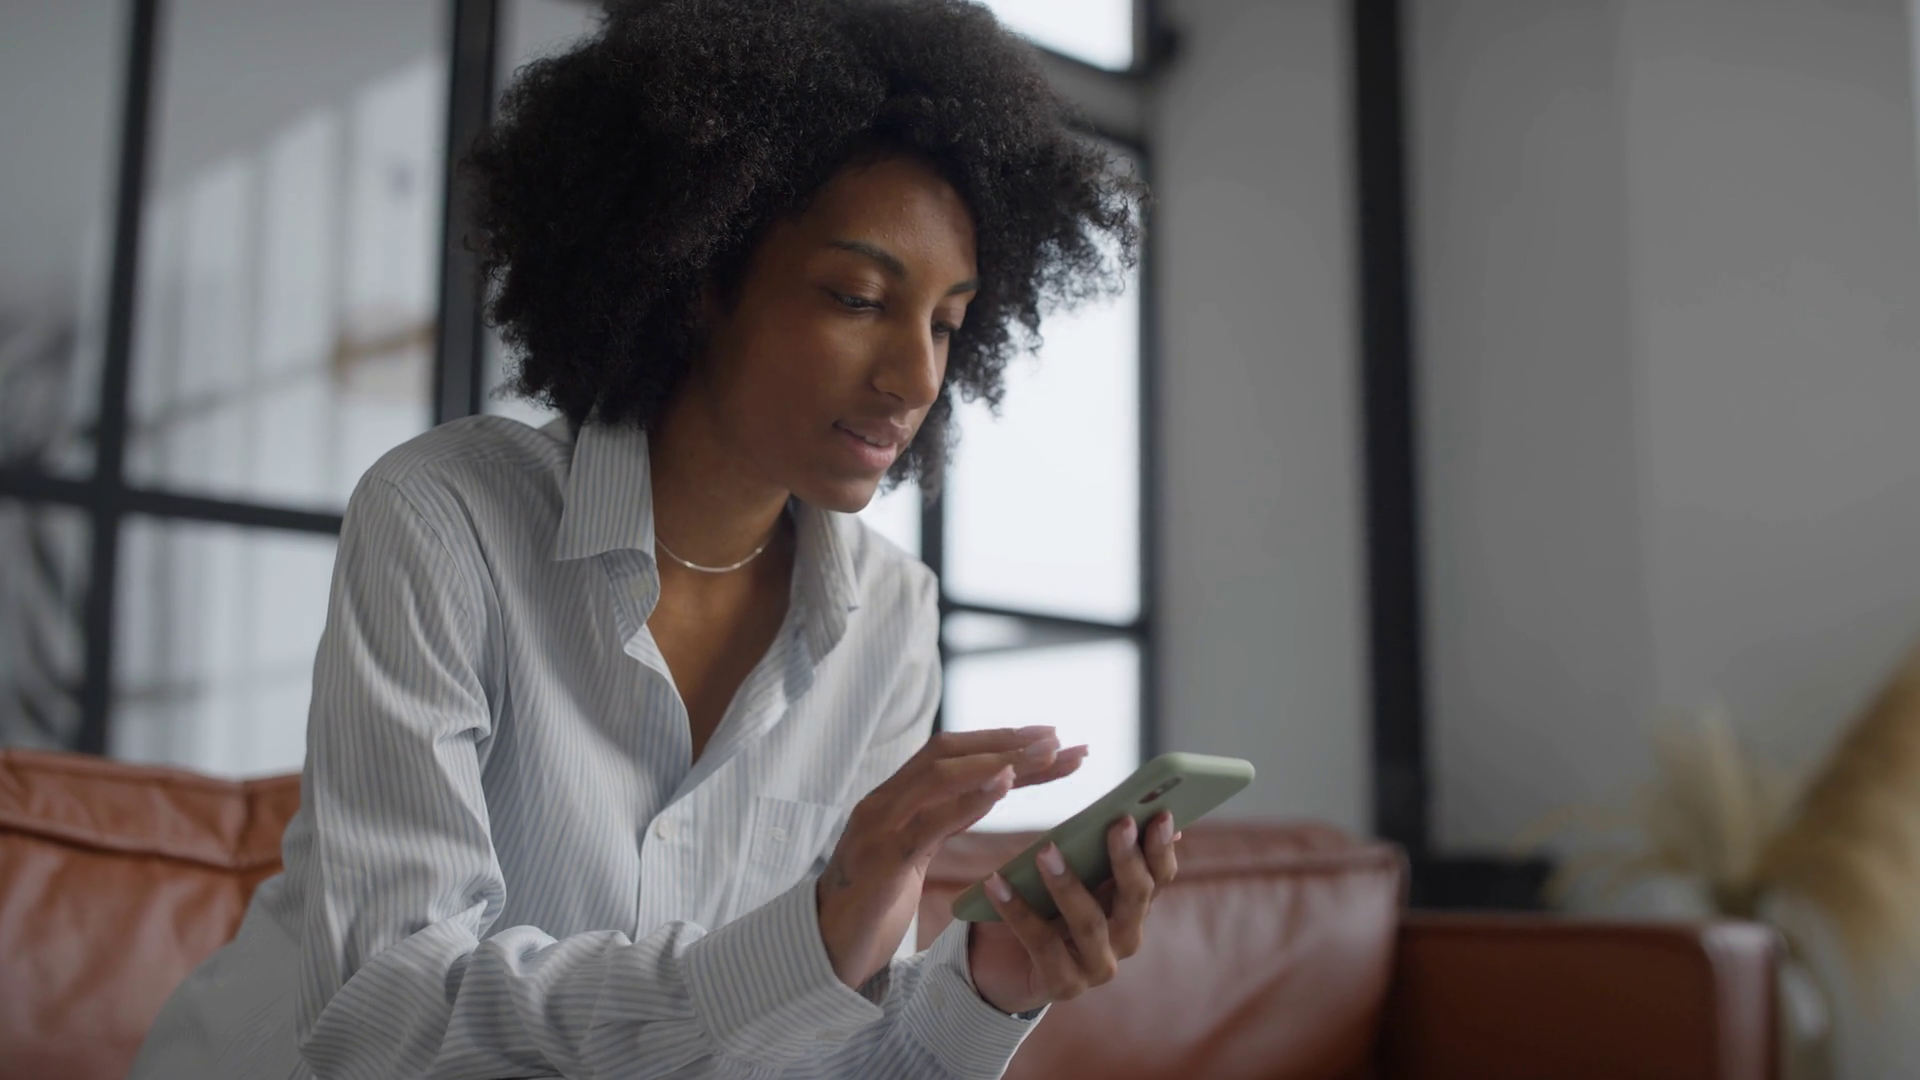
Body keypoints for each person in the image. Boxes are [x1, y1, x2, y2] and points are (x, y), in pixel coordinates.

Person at [130, 1, 1161, 1076]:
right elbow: (384, 1013)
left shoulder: (889, 618)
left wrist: (988, 985)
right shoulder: (444, 519)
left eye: (947, 323)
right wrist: (798, 944)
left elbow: (827, 1051)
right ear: (701, 272)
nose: (914, 377)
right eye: (858, 297)